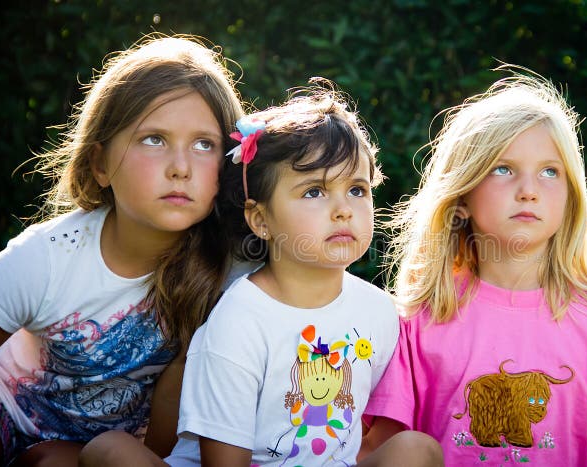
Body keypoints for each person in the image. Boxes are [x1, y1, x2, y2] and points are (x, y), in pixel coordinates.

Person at [79, 80, 442, 467]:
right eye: (314, 192)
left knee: (416, 450)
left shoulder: (378, 312)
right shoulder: (240, 322)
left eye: (357, 189)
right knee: (109, 451)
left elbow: (366, 433)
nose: (343, 209)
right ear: (260, 219)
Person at [360, 70, 587, 466]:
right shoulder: (417, 318)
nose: (529, 189)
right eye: (503, 168)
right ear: (461, 197)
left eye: (550, 172)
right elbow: (391, 451)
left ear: (570, 198)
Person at [0, 33, 246, 466]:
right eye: (154, 139)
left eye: (204, 144)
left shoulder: (233, 272)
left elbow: (175, 406)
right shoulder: (46, 259)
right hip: (10, 417)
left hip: (111, 452)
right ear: (100, 163)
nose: (181, 168)